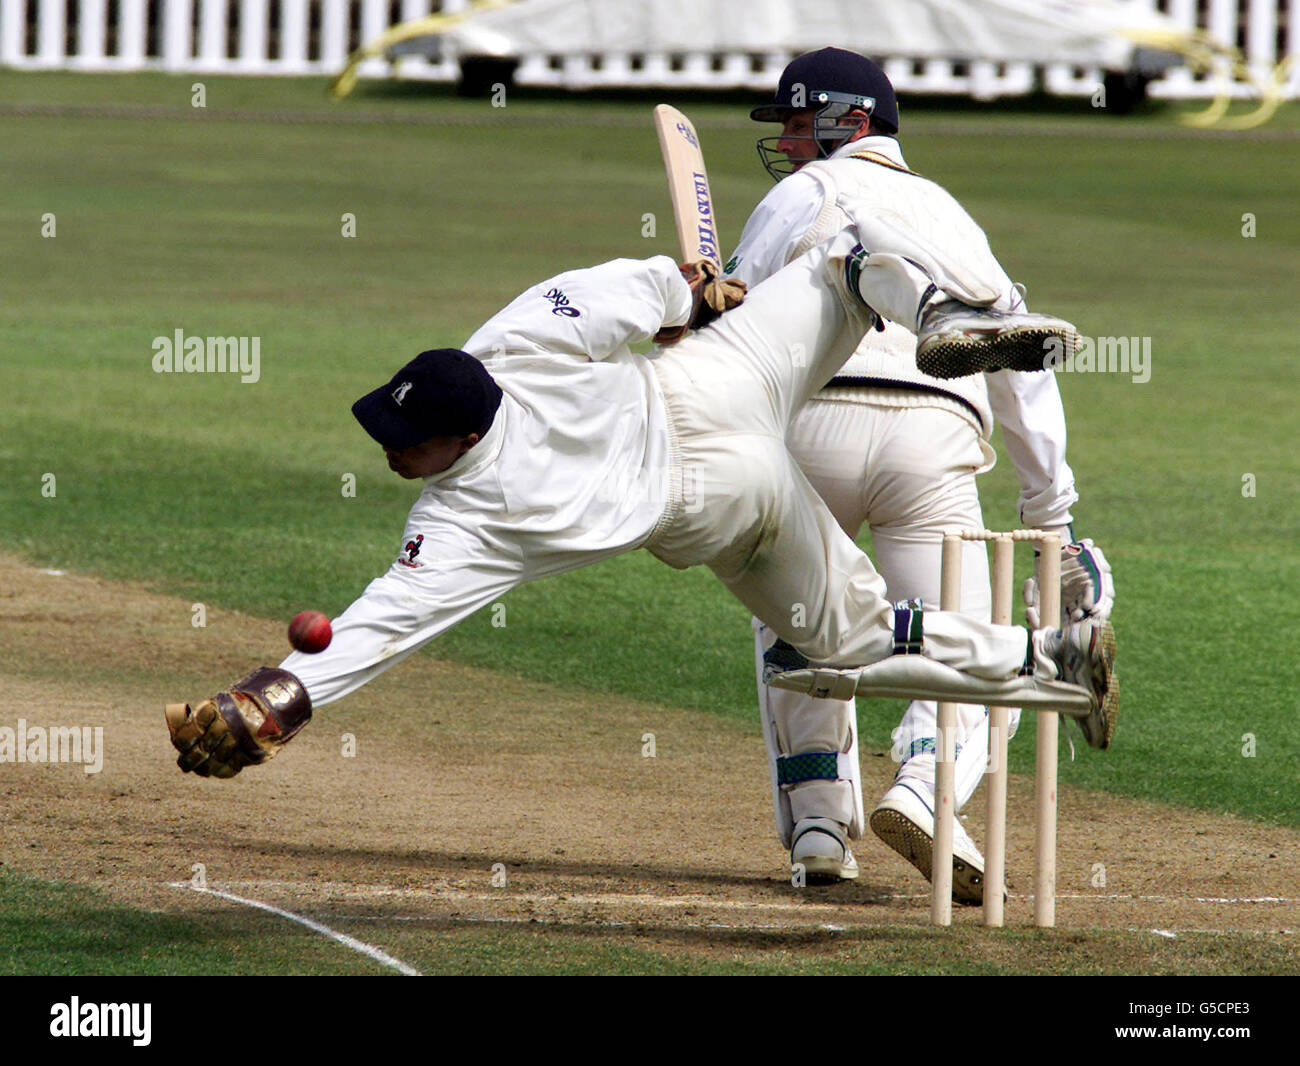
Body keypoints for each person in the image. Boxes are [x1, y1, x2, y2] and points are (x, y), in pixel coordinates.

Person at [163, 220, 1115, 819]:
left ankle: (1046, 660)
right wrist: (696, 295)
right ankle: (936, 312)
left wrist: (270, 703)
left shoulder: (467, 522)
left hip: (717, 500)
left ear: (454, 436)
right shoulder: (512, 341)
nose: (389, 451)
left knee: (857, 638)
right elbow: (642, 287)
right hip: (718, 379)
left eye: (404, 441)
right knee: (846, 257)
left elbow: (380, 624)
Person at [726, 48, 1115, 901]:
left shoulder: (799, 195)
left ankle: (821, 828)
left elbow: (732, 322)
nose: (788, 141)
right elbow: (1019, 358)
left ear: (849, 123)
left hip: (812, 424)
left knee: (801, 627)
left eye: (800, 123)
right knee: (969, 641)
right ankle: (926, 785)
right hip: (935, 435)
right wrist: (1053, 513)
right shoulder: (950, 212)